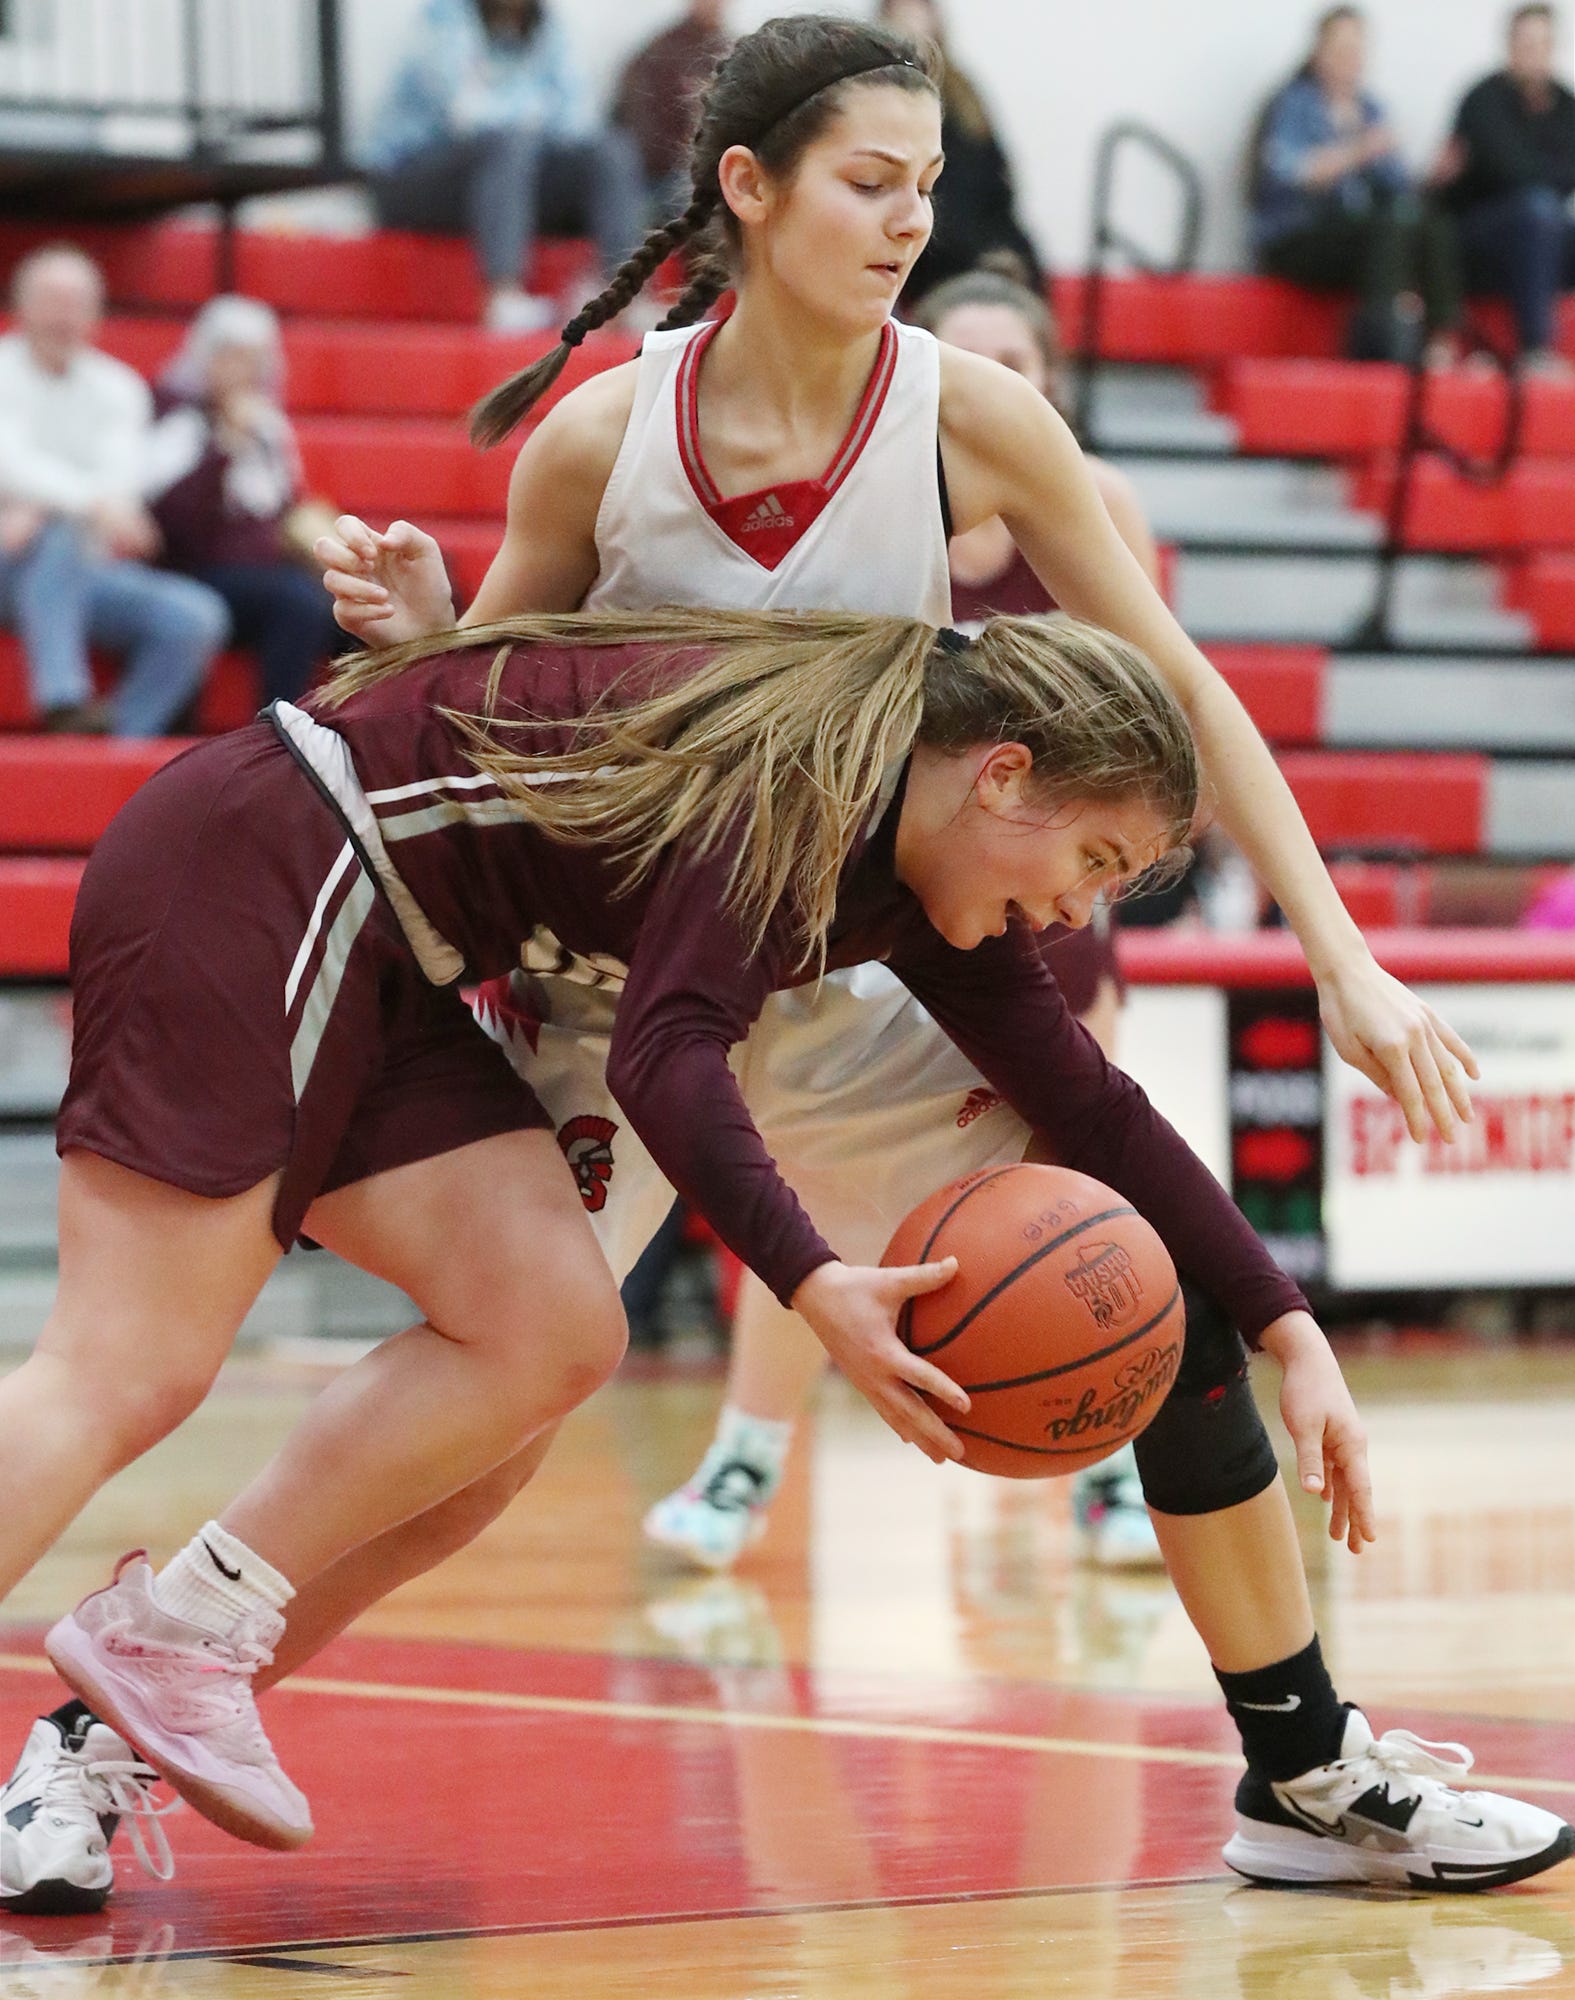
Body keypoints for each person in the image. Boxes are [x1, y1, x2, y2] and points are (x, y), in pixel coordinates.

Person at [17, 17, 1526, 1911]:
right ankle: (95, 1742)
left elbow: (1178, 691)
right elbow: (495, 697)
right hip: (622, 992)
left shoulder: (966, 417)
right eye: (870, 183)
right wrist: (428, 627)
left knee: (1144, 1281)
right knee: (485, 1434)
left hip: (860, 950)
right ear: (746, 186)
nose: (909, 223)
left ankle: (1302, 1771)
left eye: (928, 187)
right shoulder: (604, 432)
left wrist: (1341, 959)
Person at [11, 606, 1212, 1882]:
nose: (1085, 907)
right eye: (1095, 858)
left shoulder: (907, 849)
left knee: (544, 1341)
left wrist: (1285, 1324)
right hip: (283, 860)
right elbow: (665, 1047)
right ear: (1005, 772)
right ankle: (170, 1648)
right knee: (123, 1371)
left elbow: (1100, 1108)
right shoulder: (803, 778)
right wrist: (811, 1279)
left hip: (401, 945)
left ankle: (169, 1651)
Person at [644, 267, 1162, 1574]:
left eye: (1013, 363)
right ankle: (746, 1455)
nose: (990, 382)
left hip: (1049, 894)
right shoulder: (874, 497)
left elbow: (1149, 711)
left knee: (1072, 1189)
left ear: (1046, 385)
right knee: (808, 1186)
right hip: (889, 891)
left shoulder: (1094, 503)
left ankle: (1108, 1458)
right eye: (965, 360)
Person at [0, 245, 228, 735]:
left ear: (96, 314)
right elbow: (11, 463)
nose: (63, 317)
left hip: (84, 568)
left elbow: (122, 480)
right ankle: (64, 699)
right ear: (20, 306)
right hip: (8, 563)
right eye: (51, 301)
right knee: (59, 535)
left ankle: (117, 739)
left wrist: (44, 505)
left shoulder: (119, 387)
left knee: (197, 615)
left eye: (75, 303)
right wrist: (82, 506)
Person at [363, 0, 648, 334]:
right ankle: (503, 294)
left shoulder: (548, 29)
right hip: (415, 178)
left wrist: (538, 130)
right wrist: (537, 120)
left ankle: (625, 294)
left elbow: (576, 120)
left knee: (610, 149)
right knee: (508, 143)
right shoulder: (443, 18)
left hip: (508, 174)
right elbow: (466, 113)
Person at [144, 296, 344, 708]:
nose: (247, 371)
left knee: (355, 606)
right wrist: (225, 447)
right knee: (296, 602)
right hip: (199, 570)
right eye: (233, 357)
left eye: (255, 359)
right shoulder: (181, 421)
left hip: (266, 568)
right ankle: (278, 724)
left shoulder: (268, 425)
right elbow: (172, 523)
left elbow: (285, 504)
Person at [1249, 7, 1462, 367]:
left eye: (1357, 50)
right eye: (1342, 49)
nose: (1351, 59)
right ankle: (1380, 352)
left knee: (1428, 222)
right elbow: (1286, 174)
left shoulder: (1371, 108)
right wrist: (1357, 151)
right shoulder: (1292, 104)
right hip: (1298, 235)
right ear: (1319, 52)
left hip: (1359, 235)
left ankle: (1441, 342)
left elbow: (1400, 191)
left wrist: (1435, 178)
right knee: (1386, 230)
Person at [875, 0, 1046, 304]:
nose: (912, 25)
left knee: (1020, 257)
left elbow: (997, 176)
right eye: (901, 15)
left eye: (919, 14)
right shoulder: (879, 93)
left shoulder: (964, 90)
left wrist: (1001, 249)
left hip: (984, 225)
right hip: (933, 234)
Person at [1440, 2, 1575, 373]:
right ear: (1510, 46)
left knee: (1543, 214)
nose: (1534, 53)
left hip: (1544, 236)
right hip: (1477, 236)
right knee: (1536, 210)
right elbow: (1507, 171)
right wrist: (1549, 172)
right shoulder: (1482, 98)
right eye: (1526, 43)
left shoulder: (1567, 105)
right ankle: (1536, 350)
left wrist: (1541, 174)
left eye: (1542, 44)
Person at [613, 0, 733, 223]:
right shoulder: (659, 53)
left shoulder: (731, 51)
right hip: (660, 177)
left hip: (714, 170)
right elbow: (636, 128)